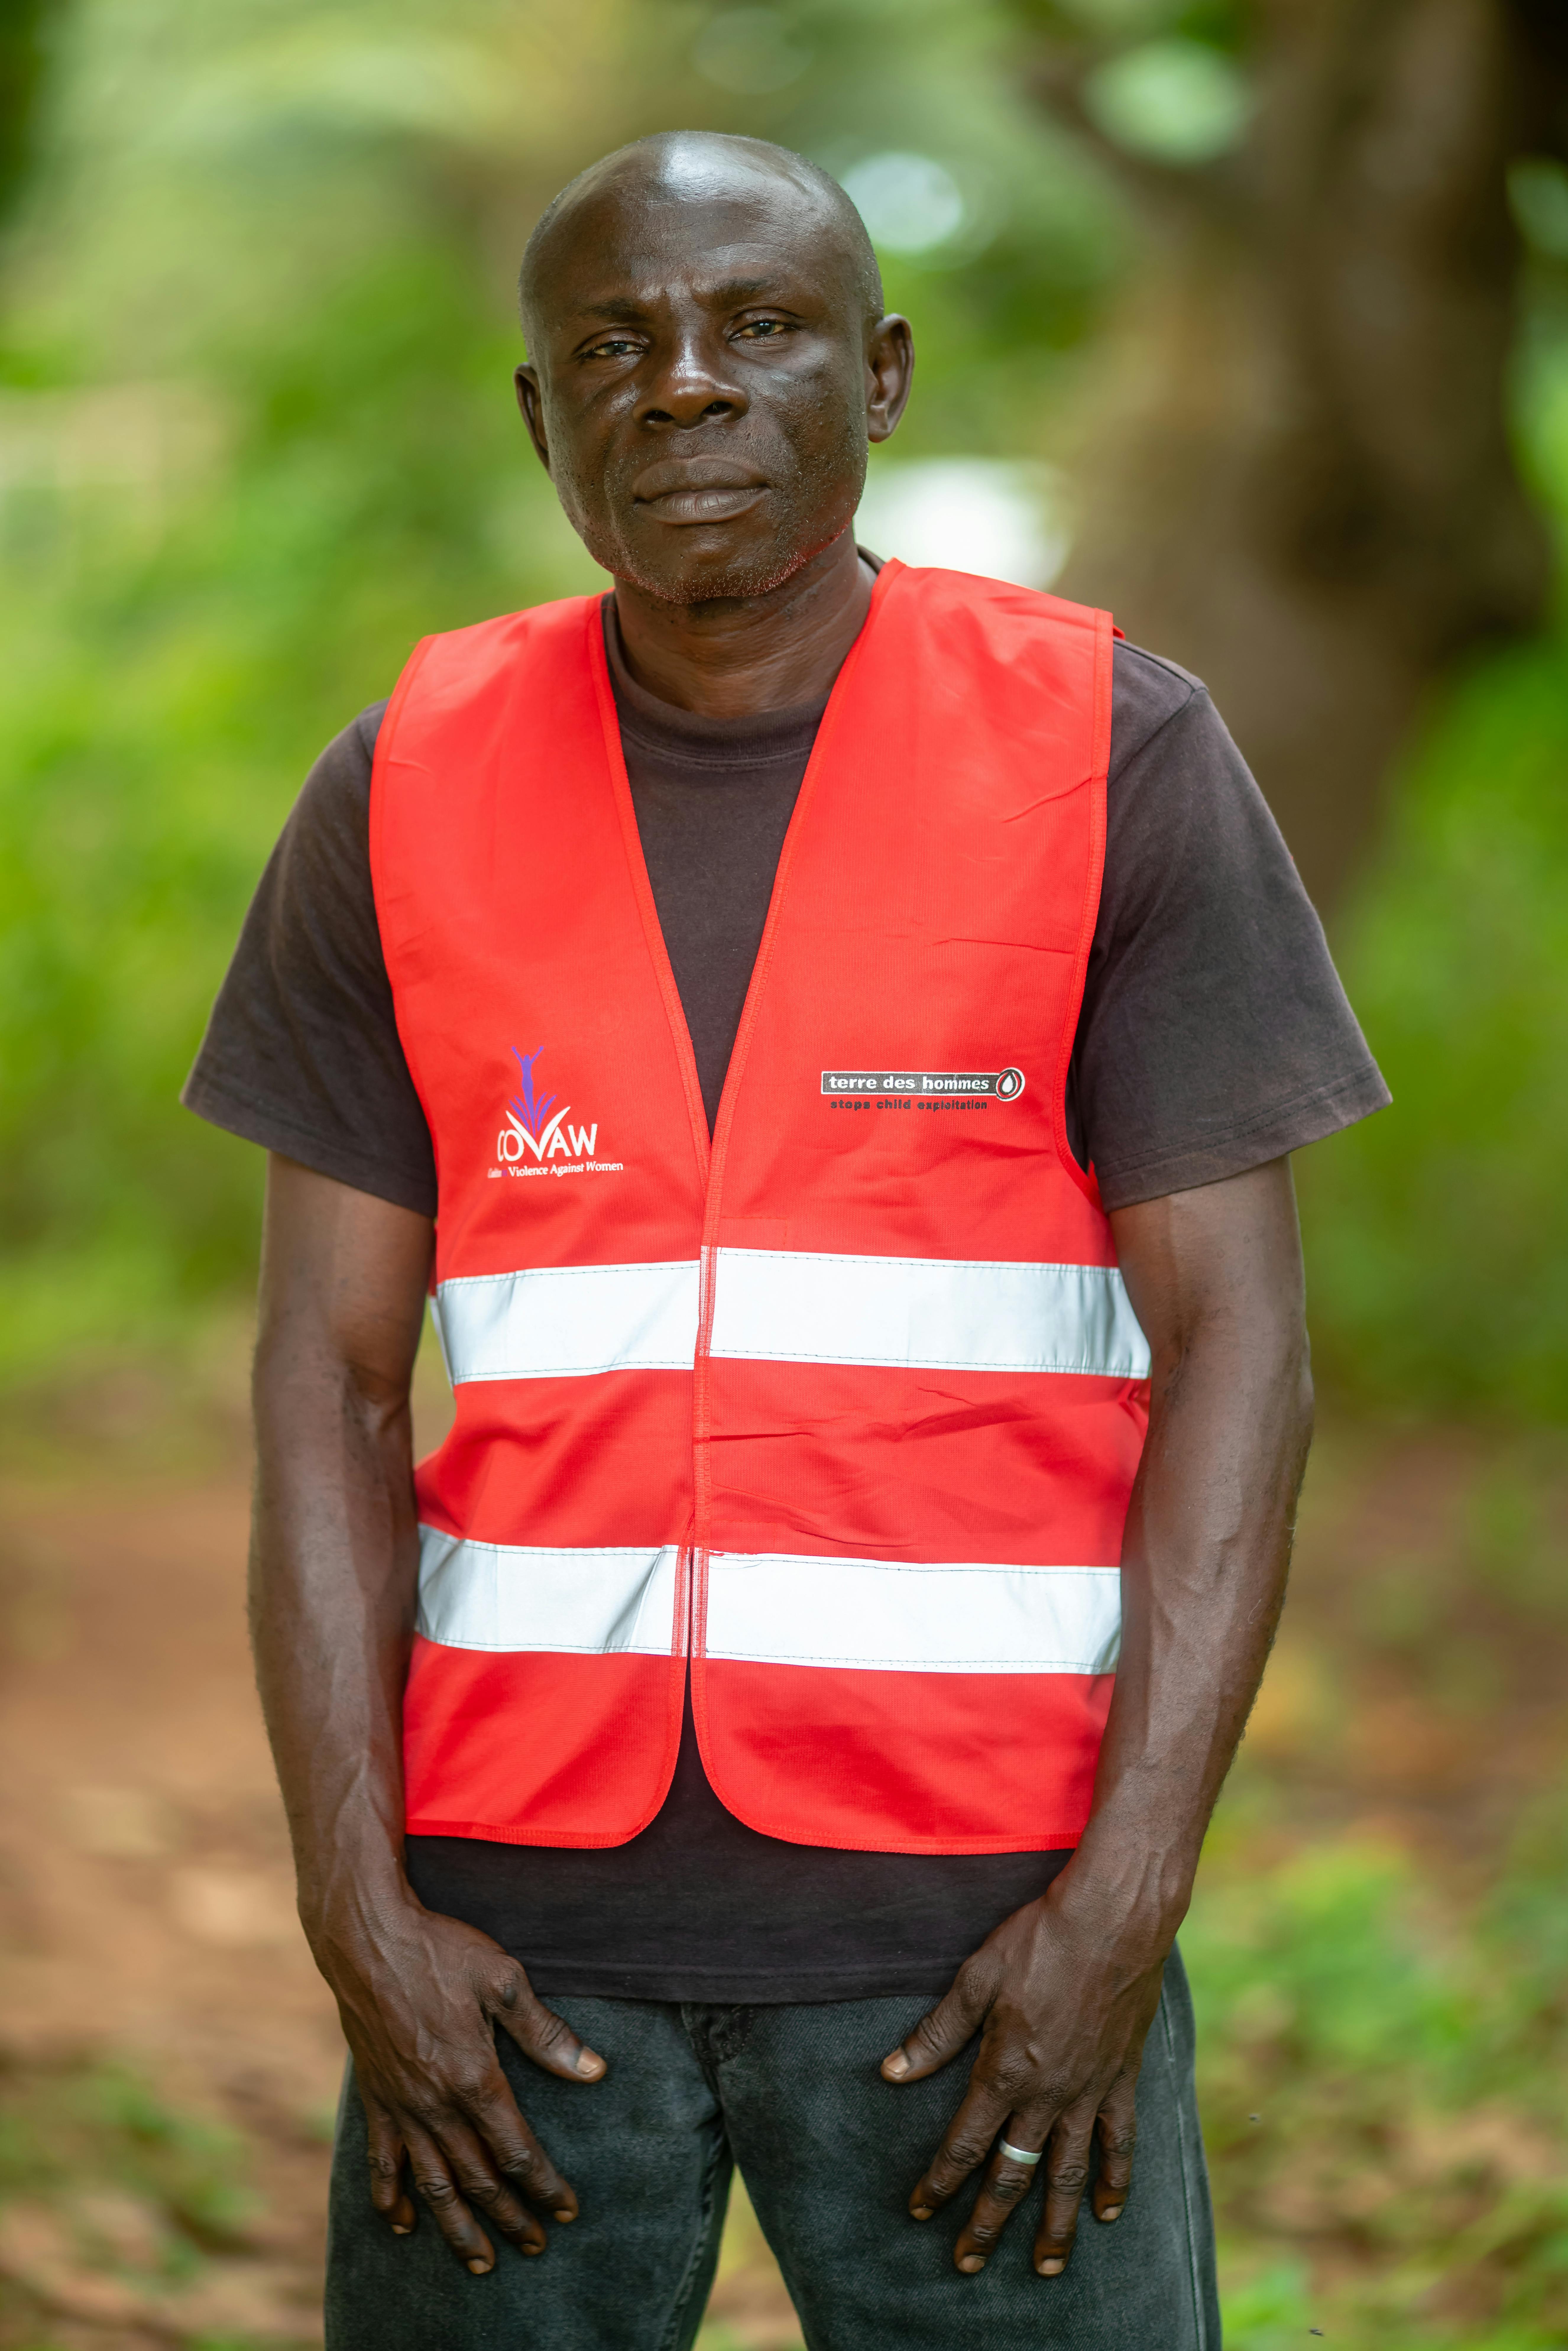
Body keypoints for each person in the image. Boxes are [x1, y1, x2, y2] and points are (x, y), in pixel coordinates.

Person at [184, 130, 1389, 2350]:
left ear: (883, 372)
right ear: (544, 423)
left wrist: (1121, 1908)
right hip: (511, 1963)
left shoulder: (1110, 751)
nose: (687, 390)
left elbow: (1242, 1349)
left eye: (760, 329)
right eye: (612, 348)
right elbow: (326, 1376)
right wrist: (358, 1908)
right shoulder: (405, 779)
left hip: (982, 1943)